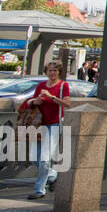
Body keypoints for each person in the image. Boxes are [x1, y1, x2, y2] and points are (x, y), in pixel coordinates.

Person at [18, 62, 71, 200]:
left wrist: (51, 97)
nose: (52, 73)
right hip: (39, 124)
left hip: (54, 124)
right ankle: (53, 176)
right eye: (50, 70)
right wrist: (35, 101)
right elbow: (32, 100)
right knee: (34, 158)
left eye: (55, 70)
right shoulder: (41, 86)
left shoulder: (63, 86)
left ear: (59, 72)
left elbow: (67, 104)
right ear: (46, 72)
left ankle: (39, 189)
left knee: (45, 159)